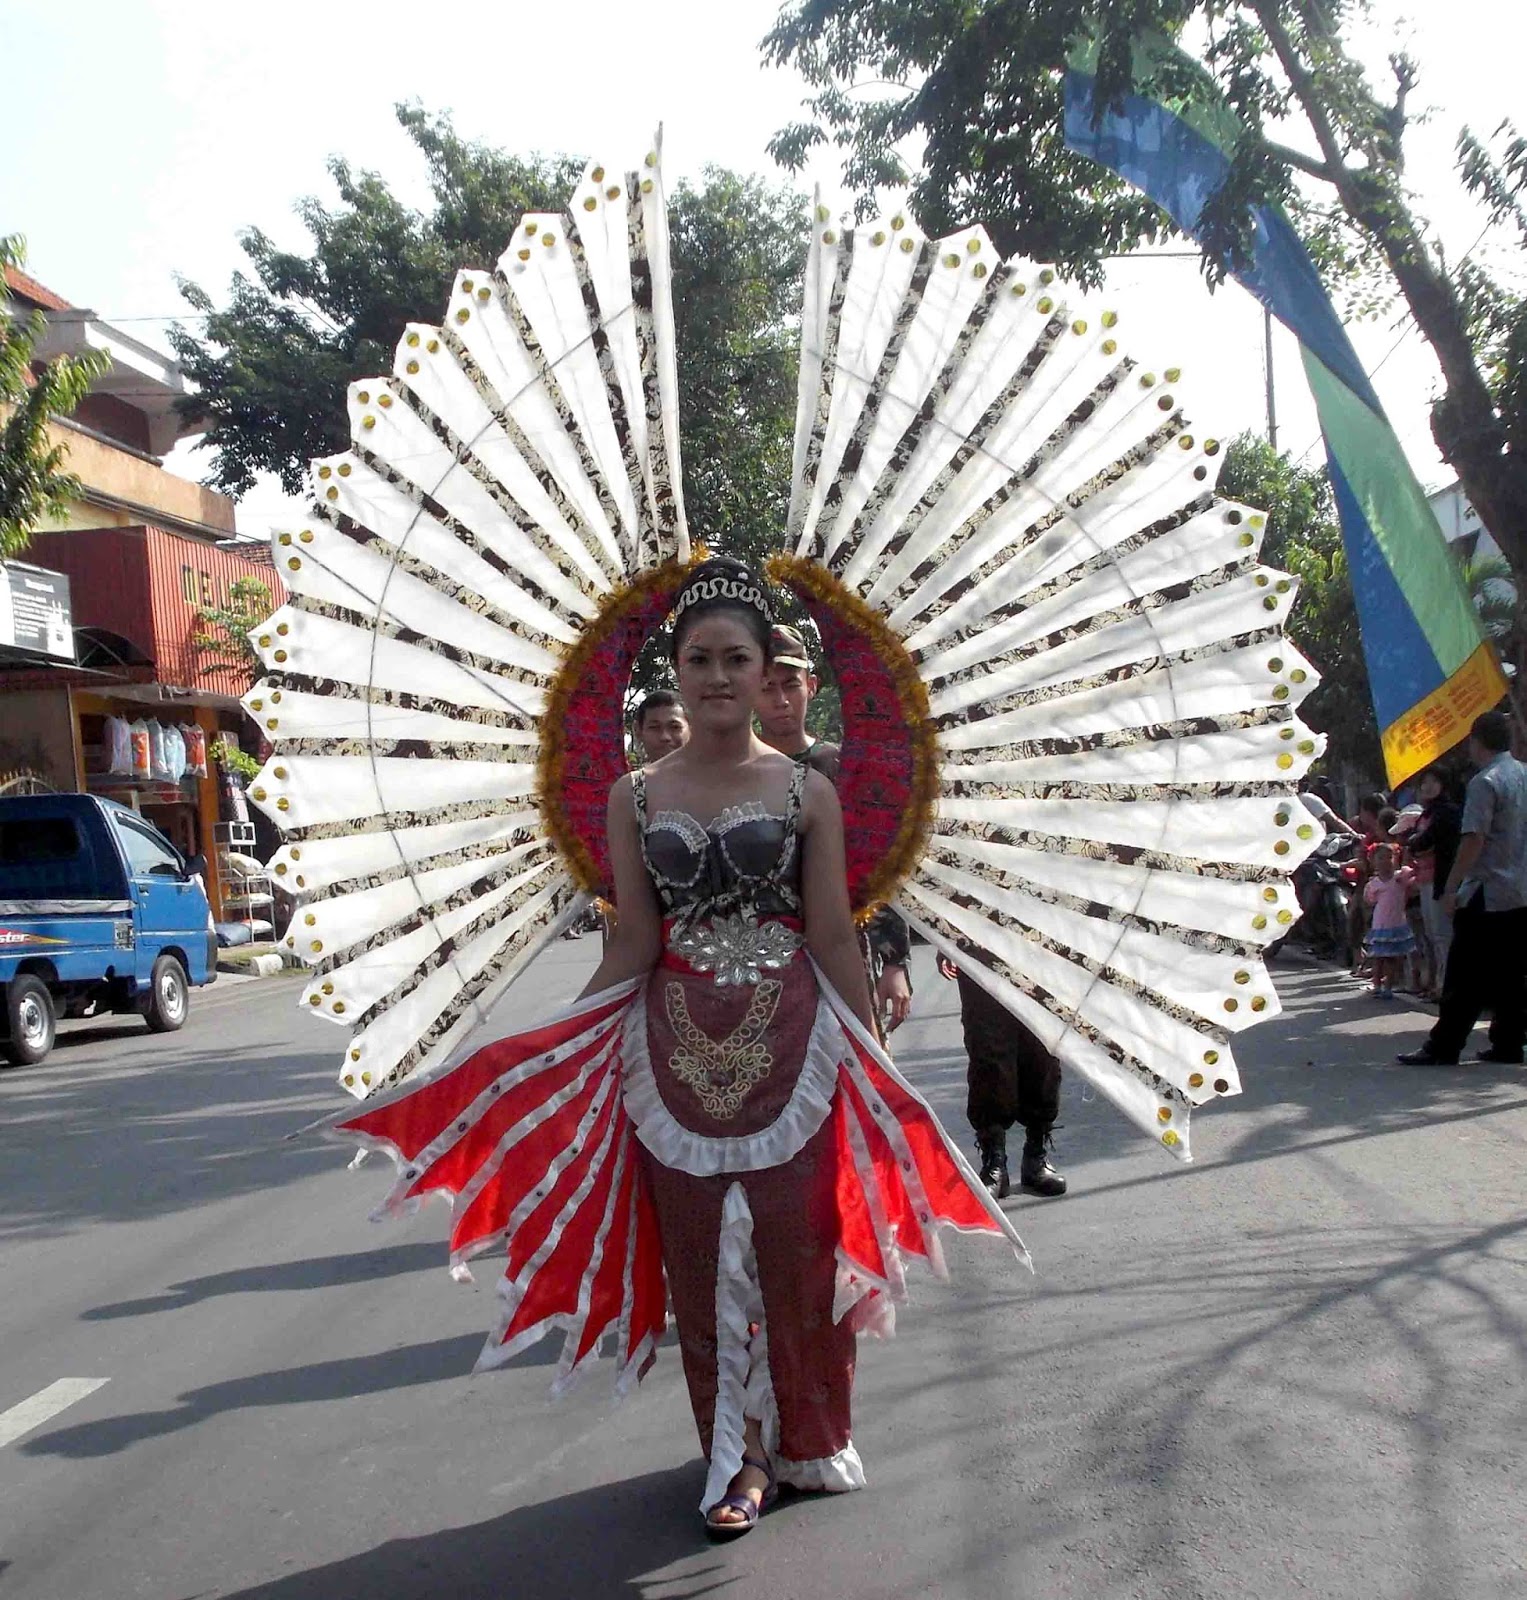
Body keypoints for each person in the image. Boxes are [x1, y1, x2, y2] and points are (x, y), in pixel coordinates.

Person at [330, 559, 1022, 1540]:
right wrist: (543, 1048)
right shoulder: (634, 796)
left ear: (763, 668)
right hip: (670, 1054)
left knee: (798, 1255)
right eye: (698, 659)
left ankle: (808, 1438)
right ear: (678, 669)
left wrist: (875, 1059)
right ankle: (733, 1460)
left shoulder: (805, 791)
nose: (716, 676)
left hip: (799, 1048)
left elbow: (830, 932)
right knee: (702, 1271)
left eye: (736, 658)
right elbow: (635, 943)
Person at [756, 622, 914, 1035]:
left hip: (846, 947)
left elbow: (877, 863)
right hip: (764, 958)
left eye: (789, 685)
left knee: (858, 1067)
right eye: (766, 687)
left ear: (811, 685)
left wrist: (894, 960)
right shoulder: (735, 774)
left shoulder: (842, 768)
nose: (780, 700)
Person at [1399, 710, 1527, 1066]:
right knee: (1512, 971)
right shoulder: (1524, 775)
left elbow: (1473, 839)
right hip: (1520, 889)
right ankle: (1509, 1042)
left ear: (1477, 741)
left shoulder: (1485, 782)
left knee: (1463, 971)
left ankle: (1444, 1045)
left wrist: (1452, 886)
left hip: (1487, 889)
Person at [937, 955, 1067, 1198]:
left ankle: (1036, 1156)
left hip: (1041, 948)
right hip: (978, 946)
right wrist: (944, 937)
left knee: (1043, 1052)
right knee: (988, 1054)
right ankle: (994, 1161)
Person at [1403, 768, 1462, 1001]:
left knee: (1442, 936)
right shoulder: (1426, 813)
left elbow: (1428, 840)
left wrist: (1415, 843)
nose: (1428, 786)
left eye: (1433, 781)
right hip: (1425, 880)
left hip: (1443, 879)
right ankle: (1437, 983)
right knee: (1431, 935)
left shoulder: (1448, 812)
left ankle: (1447, 987)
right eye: (1424, 782)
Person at [1362, 844, 1415, 1000]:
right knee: (1378, 958)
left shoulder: (1400, 877)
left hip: (1397, 922)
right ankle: (1377, 985)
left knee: (1392, 957)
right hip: (1381, 923)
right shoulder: (1374, 884)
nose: (1385, 861)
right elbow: (1370, 901)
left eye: (1389, 857)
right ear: (1374, 862)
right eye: (1381, 858)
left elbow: (1413, 879)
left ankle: (1388, 987)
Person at [632, 687, 689, 762]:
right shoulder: (636, 774)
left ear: (692, 728)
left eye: (675, 727)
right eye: (654, 727)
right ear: (638, 731)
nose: (665, 737)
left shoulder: (708, 773)